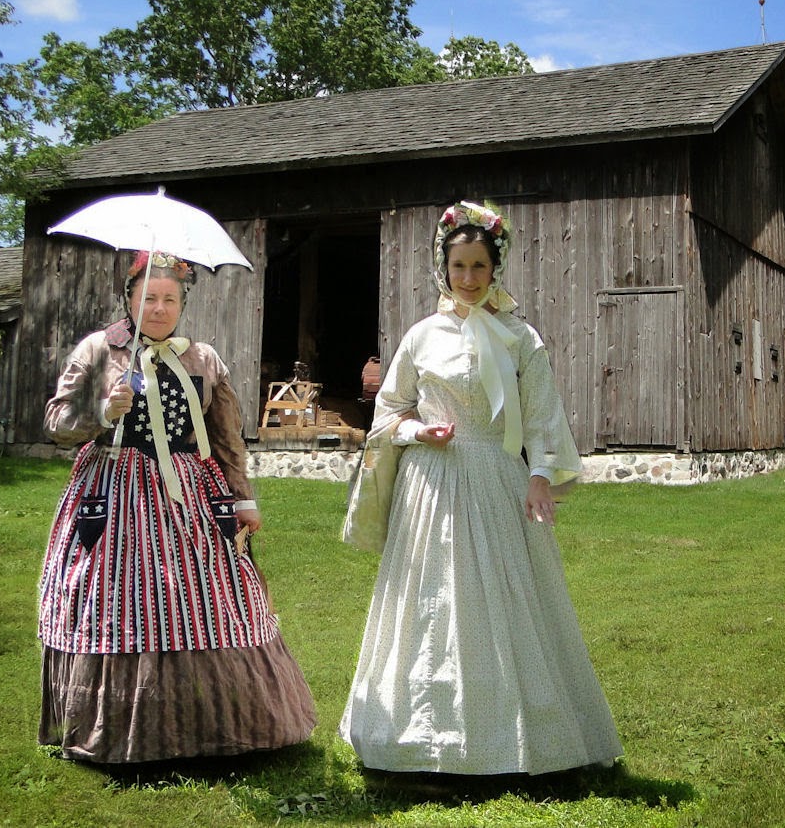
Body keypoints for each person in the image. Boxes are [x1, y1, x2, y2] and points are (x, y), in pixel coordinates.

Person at [340, 201, 622, 777]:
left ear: (496, 268)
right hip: (431, 483)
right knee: (430, 601)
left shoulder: (520, 337)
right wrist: (419, 431)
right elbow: (389, 412)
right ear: (443, 268)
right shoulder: (422, 336)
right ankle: (416, 739)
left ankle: (512, 736)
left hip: (497, 476)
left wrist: (540, 476)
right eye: (458, 266)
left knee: (506, 600)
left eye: (478, 266)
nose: (467, 278)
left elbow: (542, 416)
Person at [38, 250, 316, 763]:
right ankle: (123, 728)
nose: (159, 308)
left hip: (190, 495)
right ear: (128, 299)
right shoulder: (99, 349)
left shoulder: (202, 359)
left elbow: (227, 438)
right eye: (148, 298)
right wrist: (103, 411)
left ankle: (212, 723)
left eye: (169, 299)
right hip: (115, 489)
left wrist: (243, 499)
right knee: (123, 602)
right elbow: (57, 421)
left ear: (183, 303)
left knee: (206, 602)